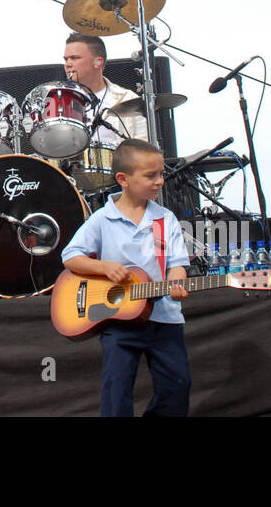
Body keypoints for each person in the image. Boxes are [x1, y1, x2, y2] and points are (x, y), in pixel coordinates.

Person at [61, 139, 190, 416]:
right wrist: (105, 268)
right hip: (119, 321)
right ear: (123, 179)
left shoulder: (164, 219)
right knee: (116, 390)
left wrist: (177, 279)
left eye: (161, 174)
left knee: (177, 388)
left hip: (164, 319)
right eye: (150, 175)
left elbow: (177, 264)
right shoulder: (102, 219)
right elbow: (70, 256)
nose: (160, 181)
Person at [63, 33, 148, 146]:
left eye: (74, 58)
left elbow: (143, 147)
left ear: (98, 62)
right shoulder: (60, 102)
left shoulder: (128, 99)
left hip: (117, 163)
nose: (67, 64)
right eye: (66, 59)